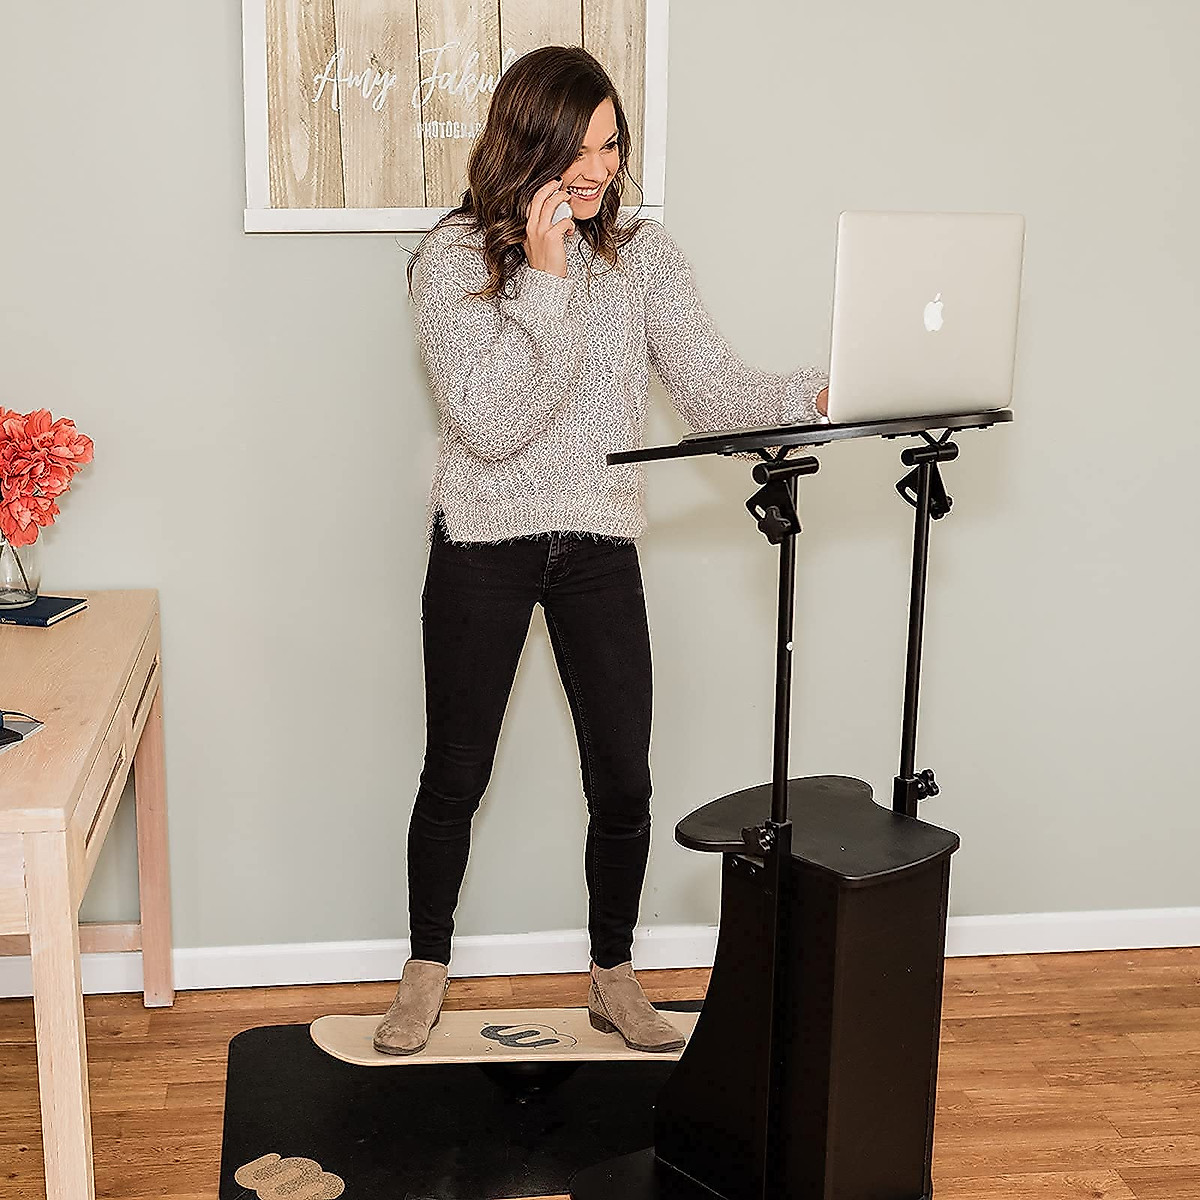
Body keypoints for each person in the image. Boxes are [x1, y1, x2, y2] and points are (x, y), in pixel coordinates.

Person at [373, 45, 829, 1057]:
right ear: (521, 144)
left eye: (611, 144)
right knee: (456, 771)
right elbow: (492, 424)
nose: (595, 167)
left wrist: (817, 393)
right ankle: (424, 969)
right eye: (575, 147)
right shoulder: (450, 260)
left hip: (599, 540)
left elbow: (715, 389)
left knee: (623, 777)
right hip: (484, 538)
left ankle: (613, 975)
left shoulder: (645, 259)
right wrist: (541, 282)